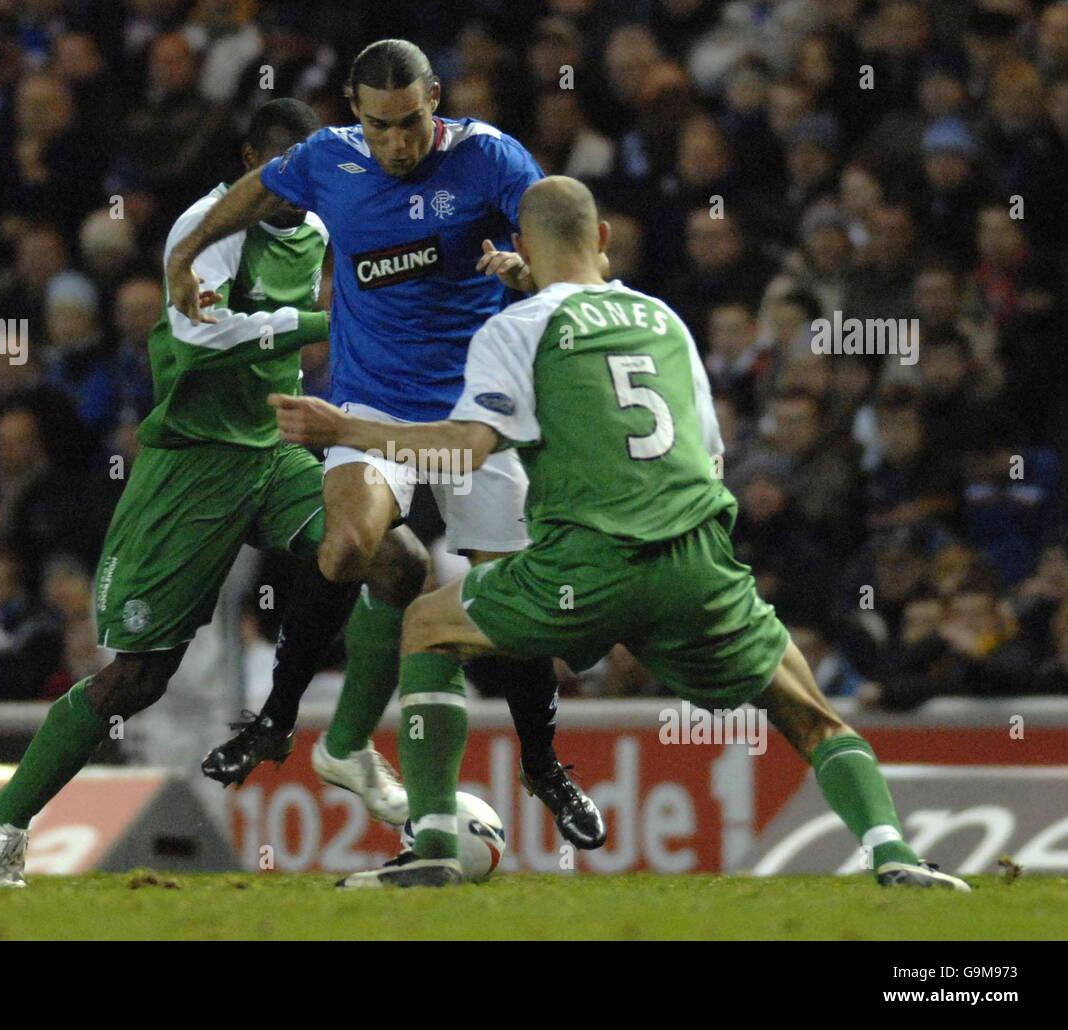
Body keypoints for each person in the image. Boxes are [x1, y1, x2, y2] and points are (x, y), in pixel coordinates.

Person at [272, 175, 970, 892]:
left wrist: (345, 428)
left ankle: (434, 850)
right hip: (697, 563)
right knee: (812, 715)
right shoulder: (665, 321)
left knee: (425, 624)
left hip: (585, 567)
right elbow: (711, 455)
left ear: (520, 247)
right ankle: (895, 857)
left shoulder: (512, 329)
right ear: (602, 238)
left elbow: (466, 447)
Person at [0, 98, 424, 887]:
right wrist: (320, 324)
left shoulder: (315, 230)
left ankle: (345, 747)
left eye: (302, 176)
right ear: (248, 160)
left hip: (272, 451)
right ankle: (1, 815)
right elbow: (202, 342)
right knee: (141, 677)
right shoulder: (204, 226)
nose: (290, 192)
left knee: (395, 560)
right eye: (274, 176)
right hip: (191, 466)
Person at [172, 39, 605, 850]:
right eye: (380, 127)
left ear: (434, 99)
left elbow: (565, 245)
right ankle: (275, 722)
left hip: (481, 412)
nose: (398, 144)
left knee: (507, 604)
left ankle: (544, 764)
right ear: (352, 112)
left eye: (411, 123)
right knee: (345, 545)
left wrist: (525, 270)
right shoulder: (327, 162)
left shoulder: (489, 159)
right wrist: (187, 254)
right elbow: (253, 192)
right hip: (369, 405)